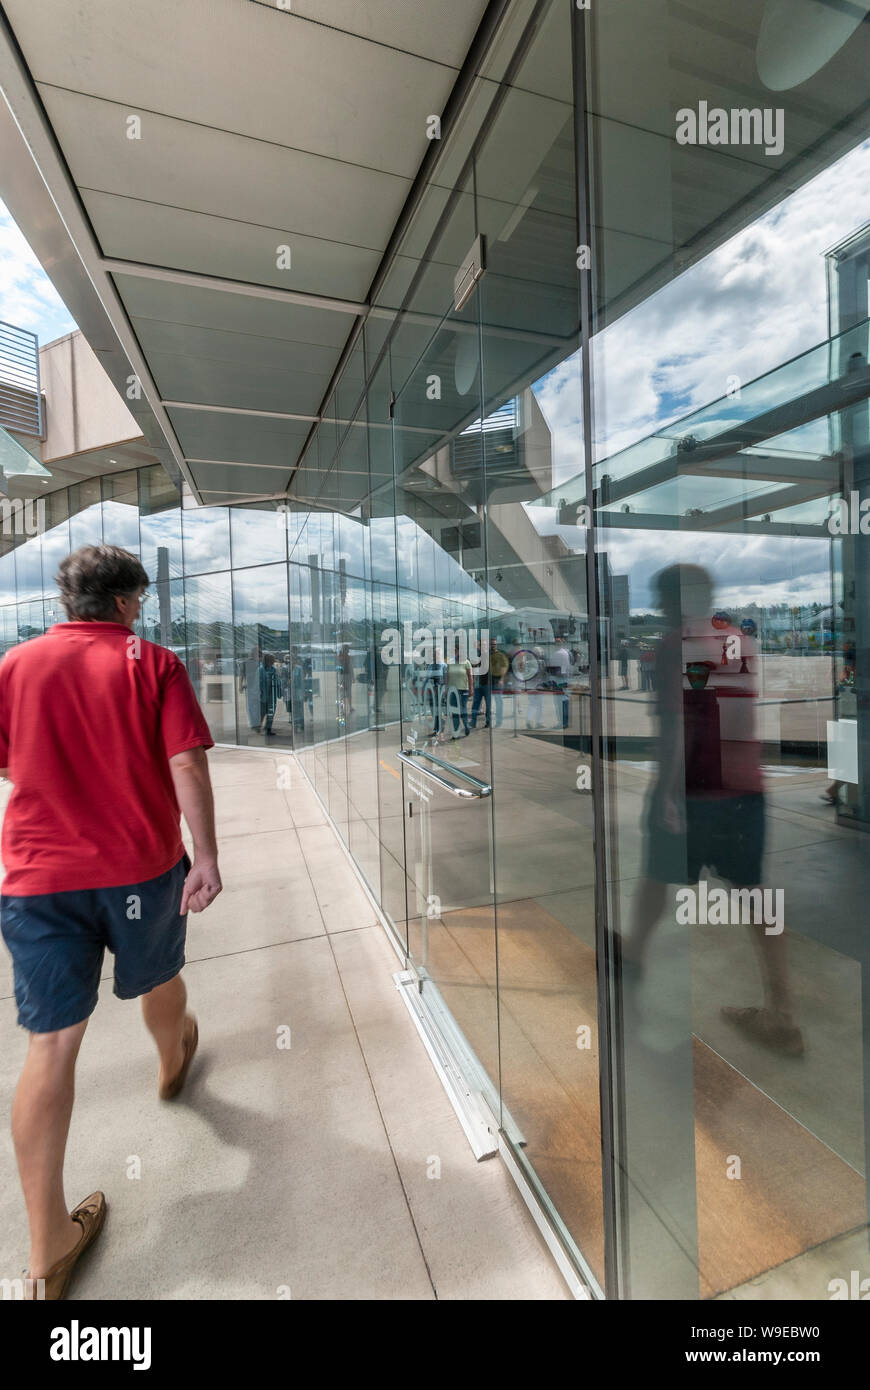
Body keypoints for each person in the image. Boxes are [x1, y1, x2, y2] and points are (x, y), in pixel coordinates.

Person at [0, 544, 222, 1300]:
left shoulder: (16, 666)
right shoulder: (153, 663)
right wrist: (206, 856)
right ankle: (171, 1059)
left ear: (68, 603)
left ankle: (45, 1250)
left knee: (51, 1044)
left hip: (39, 879)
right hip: (137, 868)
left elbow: (8, 761)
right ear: (127, 602)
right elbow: (187, 764)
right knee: (159, 976)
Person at [471, 638, 509, 730]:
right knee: (477, 703)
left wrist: (501, 679)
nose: (492, 646)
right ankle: (474, 722)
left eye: (494, 644)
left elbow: (504, 667)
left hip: (492, 683)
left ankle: (494, 722)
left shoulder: (498, 655)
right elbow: (475, 667)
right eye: (491, 644)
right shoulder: (483, 655)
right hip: (482, 683)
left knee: (495, 703)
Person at [445, 651, 473, 737]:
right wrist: (446, 688)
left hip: (463, 689)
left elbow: (470, 676)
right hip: (452, 690)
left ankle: (466, 726)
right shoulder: (450, 662)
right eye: (456, 651)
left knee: (463, 710)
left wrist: (471, 688)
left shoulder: (466, 662)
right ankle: (456, 732)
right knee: (454, 711)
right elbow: (447, 676)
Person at [549, 636, 571, 729]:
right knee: (565, 700)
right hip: (565, 679)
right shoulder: (566, 653)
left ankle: (562, 722)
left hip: (558, 679)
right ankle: (565, 721)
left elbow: (553, 668)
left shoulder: (557, 654)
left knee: (558, 702)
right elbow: (566, 667)